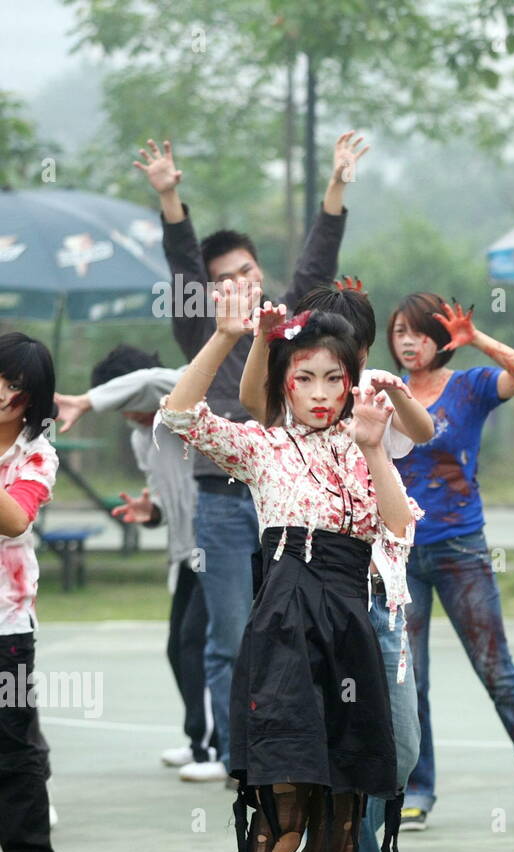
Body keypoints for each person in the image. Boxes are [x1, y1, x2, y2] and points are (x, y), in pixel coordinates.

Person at [161, 279, 420, 852]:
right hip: (284, 635)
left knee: (341, 832)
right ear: (285, 384)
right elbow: (179, 416)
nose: (320, 393)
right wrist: (228, 336)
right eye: (305, 378)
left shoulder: (363, 445)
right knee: (283, 822)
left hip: (352, 631)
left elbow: (400, 531)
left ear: (352, 381)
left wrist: (376, 448)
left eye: (334, 379)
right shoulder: (264, 447)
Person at [134, 133, 362, 783]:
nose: (239, 282)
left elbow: (318, 264)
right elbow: (182, 262)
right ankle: (241, 758)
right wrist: (170, 196)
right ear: (206, 291)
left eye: (246, 271)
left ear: (261, 271)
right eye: (224, 277)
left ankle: (299, 744)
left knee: (297, 635)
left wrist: (338, 186)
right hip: (225, 503)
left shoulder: (287, 323)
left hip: (289, 502)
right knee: (232, 635)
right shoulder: (201, 330)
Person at [237, 280, 431, 852]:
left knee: (395, 751)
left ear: (361, 353)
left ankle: (350, 845)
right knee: (310, 760)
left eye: (347, 352)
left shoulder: (368, 394)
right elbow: (254, 401)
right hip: (312, 593)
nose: (324, 378)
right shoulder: (293, 411)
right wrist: (258, 340)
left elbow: (423, 433)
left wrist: (392, 394)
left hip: (378, 593)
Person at [385, 291, 514, 830]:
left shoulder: (469, 387)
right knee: (408, 679)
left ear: (439, 338)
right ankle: (417, 790)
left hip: (461, 548)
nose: (407, 342)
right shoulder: (385, 392)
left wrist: (477, 339)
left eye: (418, 331)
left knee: (498, 672)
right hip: (400, 553)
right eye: (398, 332)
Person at [55, 347, 220, 780]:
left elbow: (149, 379)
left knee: (201, 643)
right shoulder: (140, 437)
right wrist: (154, 512)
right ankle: (198, 741)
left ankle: (219, 750)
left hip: (222, 543)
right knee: (178, 645)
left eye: (127, 402)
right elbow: (163, 496)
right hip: (187, 551)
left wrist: (87, 401)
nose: (127, 415)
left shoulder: (186, 394)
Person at [0, 331, 59, 852]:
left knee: (15, 757)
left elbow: (15, 518)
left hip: (8, 632)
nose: (0, 391)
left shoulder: (38, 456)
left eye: (14, 384)